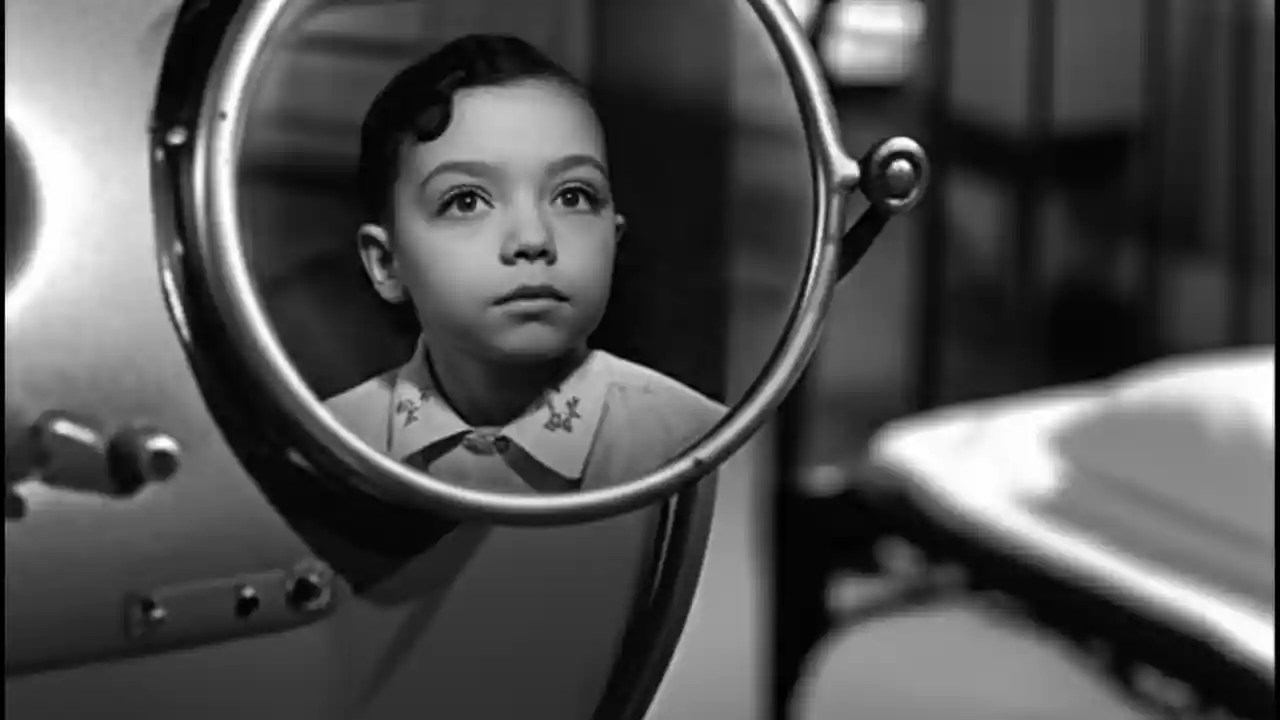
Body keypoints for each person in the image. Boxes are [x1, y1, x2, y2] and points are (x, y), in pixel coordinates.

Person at [325, 34, 726, 494]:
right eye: (466, 201)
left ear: (613, 238)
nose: (533, 239)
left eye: (573, 196)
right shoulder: (327, 447)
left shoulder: (702, 445)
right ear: (386, 263)